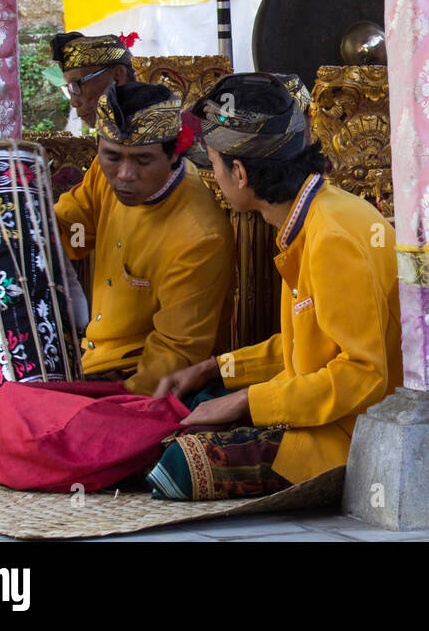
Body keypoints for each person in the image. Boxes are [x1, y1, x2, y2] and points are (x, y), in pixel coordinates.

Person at [147, 74, 402, 500]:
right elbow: (307, 345)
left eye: (212, 162)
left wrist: (247, 401)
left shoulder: (331, 237)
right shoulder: (311, 214)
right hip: (318, 409)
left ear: (241, 173)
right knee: (195, 402)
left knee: (179, 462)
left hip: (353, 433)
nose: (214, 176)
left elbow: (363, 374)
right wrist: (217, 370)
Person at [53, 82, 234, 395]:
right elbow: (72, 233)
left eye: (142, 161)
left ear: (174, 154)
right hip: (89, 359)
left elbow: (175, 353)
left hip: (137, 376)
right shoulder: (102, 172)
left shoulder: (199, 236)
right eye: (112, 157)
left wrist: (116, 404)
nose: (124, 174)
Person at [49, 31, 138, 129]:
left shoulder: (153, 128)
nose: (74, 103)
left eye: (76, 86)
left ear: (118, 75)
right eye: (70, 88)